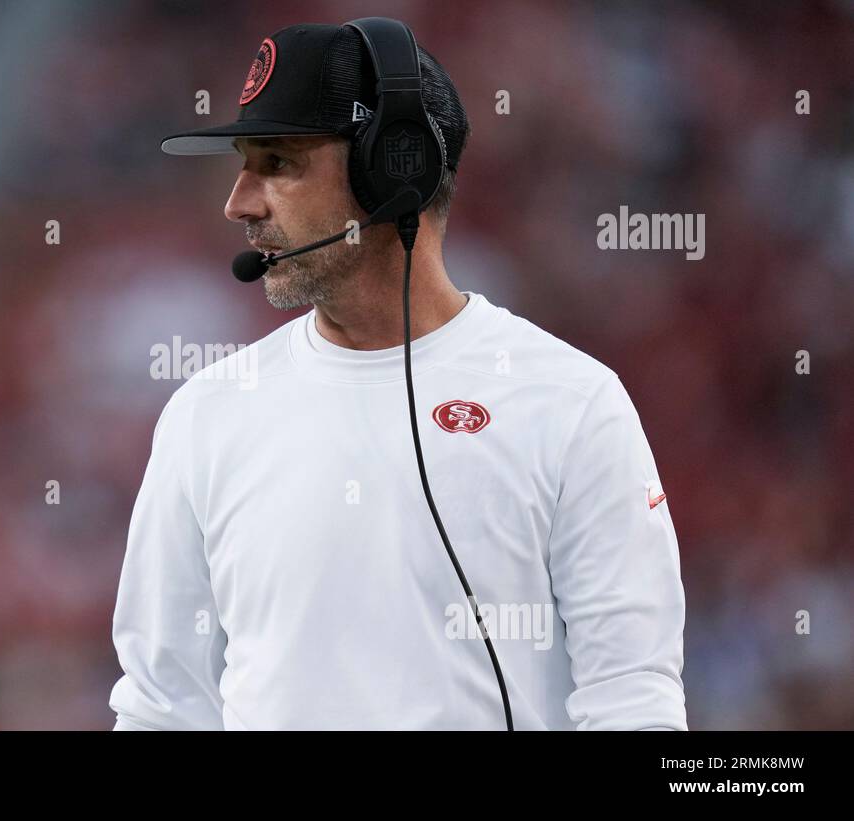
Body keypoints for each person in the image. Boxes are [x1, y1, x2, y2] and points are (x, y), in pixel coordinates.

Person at [109, 20, 687, 730]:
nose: (240, 202)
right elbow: (162, 708)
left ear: (395, 167)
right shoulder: (207, 412)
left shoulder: (572, 403)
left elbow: (631, 697)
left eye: (279, 163)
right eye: (244, 163)